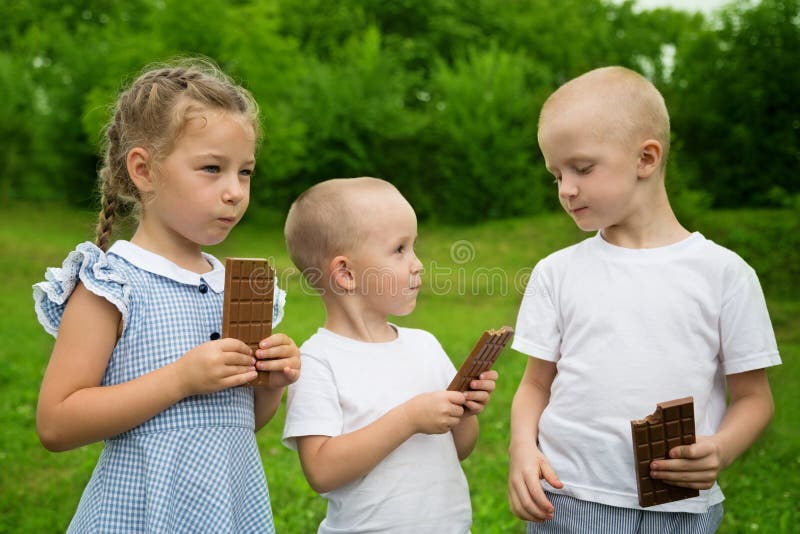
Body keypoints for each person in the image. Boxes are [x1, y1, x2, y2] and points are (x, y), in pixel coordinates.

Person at [508, 66, 781, 533]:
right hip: (567, 500)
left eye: (582, 167)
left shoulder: (725, 274)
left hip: (678, 510)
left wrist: (722, 448)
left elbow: (754, 398)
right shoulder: (557, 272)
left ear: (646, 159)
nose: (566, 188)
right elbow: (536, 385)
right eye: (556, 174)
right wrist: (520, 447)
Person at [33, 59, 300, 533]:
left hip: (227, 510)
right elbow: (56, 423)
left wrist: (270, 383)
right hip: (144, 513)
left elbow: (238, 423)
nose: (235, 192)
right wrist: (179, 379)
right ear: (144, 170)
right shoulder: (111, 284)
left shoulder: (242, 287)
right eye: (212, 169)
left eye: (245, 172)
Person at [281, 177, 497, 533]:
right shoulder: (318, 361)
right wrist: (409, 419)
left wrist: (464, 414)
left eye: (414, 247)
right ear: (346, 273)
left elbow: (459, 449)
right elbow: (321, 471)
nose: (417, 264)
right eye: (399, 250)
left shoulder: (425, 345)